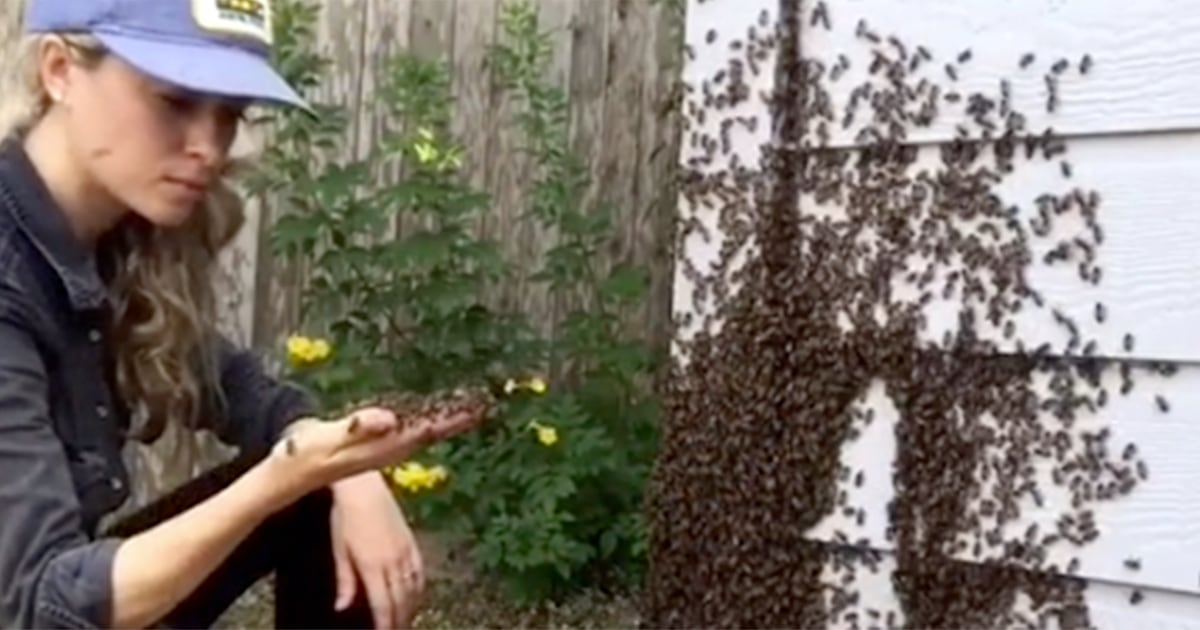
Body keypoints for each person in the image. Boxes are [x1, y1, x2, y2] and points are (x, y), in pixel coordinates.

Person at [0, 0, 487, 628]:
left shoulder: (119, 237)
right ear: (60, 70)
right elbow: (41, 607)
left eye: (229, 114)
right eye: (174, 100)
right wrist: (284, 478)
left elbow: (250, 395)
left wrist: (346, 472)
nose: (209, 146)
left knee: (320, 487)